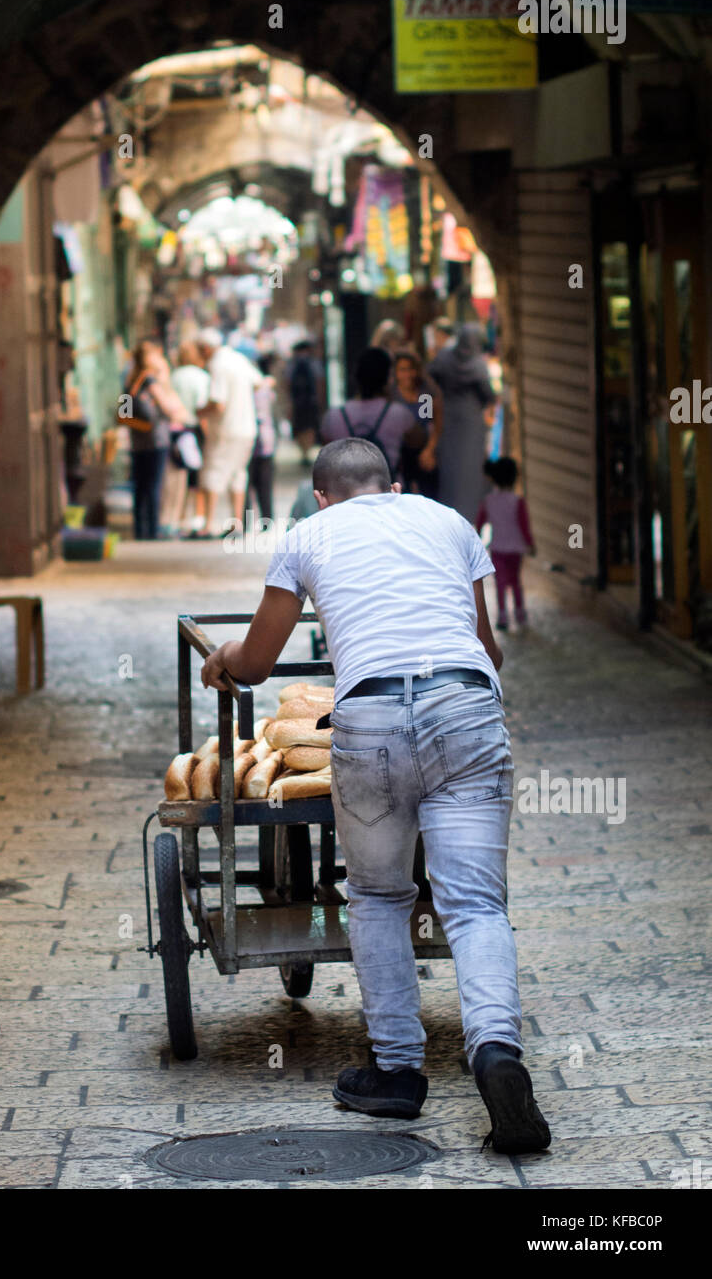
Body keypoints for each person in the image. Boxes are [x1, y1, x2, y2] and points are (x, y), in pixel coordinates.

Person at [200, 437, 551, 1155]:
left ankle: (396, 1071)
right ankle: (495, 1054)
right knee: (477, 903)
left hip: (373, 720)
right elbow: (490, 649)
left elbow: (259, 659)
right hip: (467, 707)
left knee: (380, 896)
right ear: (392, 488)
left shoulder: (307, 533)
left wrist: (221, 662)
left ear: (323, 497)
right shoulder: (449, 521)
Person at [195, 328, 262, 538]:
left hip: (226, 430)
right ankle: (237, 523)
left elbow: (218, 402)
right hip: (247, 427)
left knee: (213, 473)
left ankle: (208, 524)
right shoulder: (238, 359)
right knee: (238, 474)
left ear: (206, 349)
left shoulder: (217, 365)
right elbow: (259, 383)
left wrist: (198, 411)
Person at [427, 322, 497, 523]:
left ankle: (447, 514)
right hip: (471, 423)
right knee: (470, 470)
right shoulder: (478, 364)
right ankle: (470, 517)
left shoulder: (444, 357)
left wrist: (430, 408)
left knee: (450, 467)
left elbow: (429, 378)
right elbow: (488, 395)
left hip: (446, 418)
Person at [121, 338, 187, 542]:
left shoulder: (130, 381)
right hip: (156, 439)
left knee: (140, 486)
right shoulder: (151, 382)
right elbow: (169, 409)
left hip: (137, 441)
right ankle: (152, 530)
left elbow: (123, 414)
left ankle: (141, 529)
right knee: (153, 485)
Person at [320, 346, 415, 480]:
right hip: (388, 493)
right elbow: (419, 441)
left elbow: (325, 459)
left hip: (345, 493)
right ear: (388, 379)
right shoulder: (399, 414)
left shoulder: (333, 417)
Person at [476, 457, 534, 630]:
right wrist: (530, 544)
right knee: (515, 581)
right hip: (516, 549)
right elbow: (524, 527)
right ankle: (520, 613)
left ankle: (502, 616)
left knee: (500, 582)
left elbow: (480, 522)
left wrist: (478, 540)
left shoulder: (489, 500)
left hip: (498, 549)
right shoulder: (518, 501)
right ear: (514, 477)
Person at [161, 341, 209, 536]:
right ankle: (195, 517)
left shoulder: (172, 377)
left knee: (179, 477)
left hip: (172, 431)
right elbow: (202, 407)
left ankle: (177, 519)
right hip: (193, 429)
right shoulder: (201, 377)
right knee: (196, 477)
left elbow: (125, 414)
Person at [392, 347, 442, 500]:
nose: (407, 374)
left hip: (422, 451)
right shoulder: (392, 395)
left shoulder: (423, 393)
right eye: (402, 370)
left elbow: (429, 423)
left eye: (410, 369)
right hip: (400, 453)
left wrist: (429, 450)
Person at [247, 354, 277, 525]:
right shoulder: (266, 388)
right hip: (266, 438)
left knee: (247, 482)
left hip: (253, 438)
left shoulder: (252, 389)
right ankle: (267, 519)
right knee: (264, 483)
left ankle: (246, 519)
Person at [287, 339, 321, 466]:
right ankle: (306, 451)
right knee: (310, 426)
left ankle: (304, 452)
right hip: (310, 400)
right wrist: (319, 399)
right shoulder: (314, 363)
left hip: (297, 400)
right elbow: (319, 382)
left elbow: (287, 383)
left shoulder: (292, 364)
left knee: (299, 426)